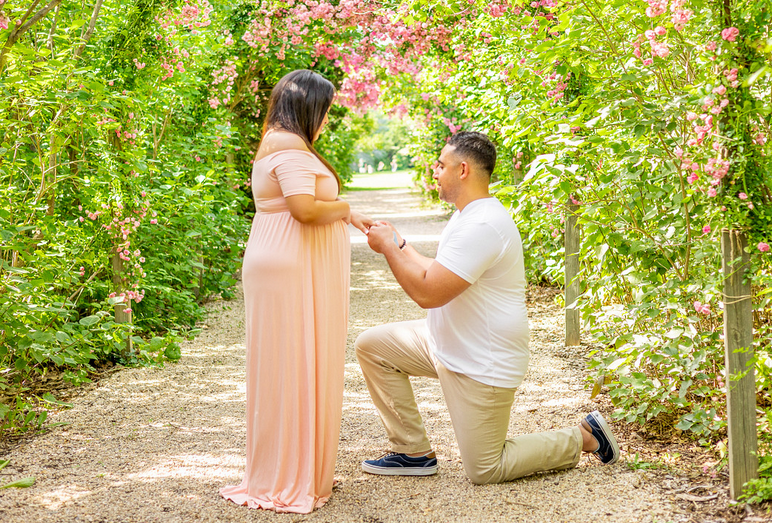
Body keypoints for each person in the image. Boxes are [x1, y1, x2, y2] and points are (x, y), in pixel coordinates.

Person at [356, 131, 619, 484]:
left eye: (440, 165)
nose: (434, 171)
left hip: (482, 361)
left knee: (485, 469)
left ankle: (585, 437)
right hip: (445, 344)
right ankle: (412, 453)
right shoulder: (468, 215)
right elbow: (437, 270)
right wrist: (399, 241)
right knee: (373, 346)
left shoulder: (481, 224)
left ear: (462, 170)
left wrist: (389, 249)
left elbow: (428, 294)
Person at [220, 69, 372, 513]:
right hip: (289, 265)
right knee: (296, 364)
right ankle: (289, 476)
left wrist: (350, 217)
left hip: (283, 261)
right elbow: (304, 210)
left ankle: (297, 467)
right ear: (309, 108)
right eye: (323, 108)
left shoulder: (276, 140)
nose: (326, 117)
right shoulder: (288, 146)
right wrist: (345, 207)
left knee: (290, 365)